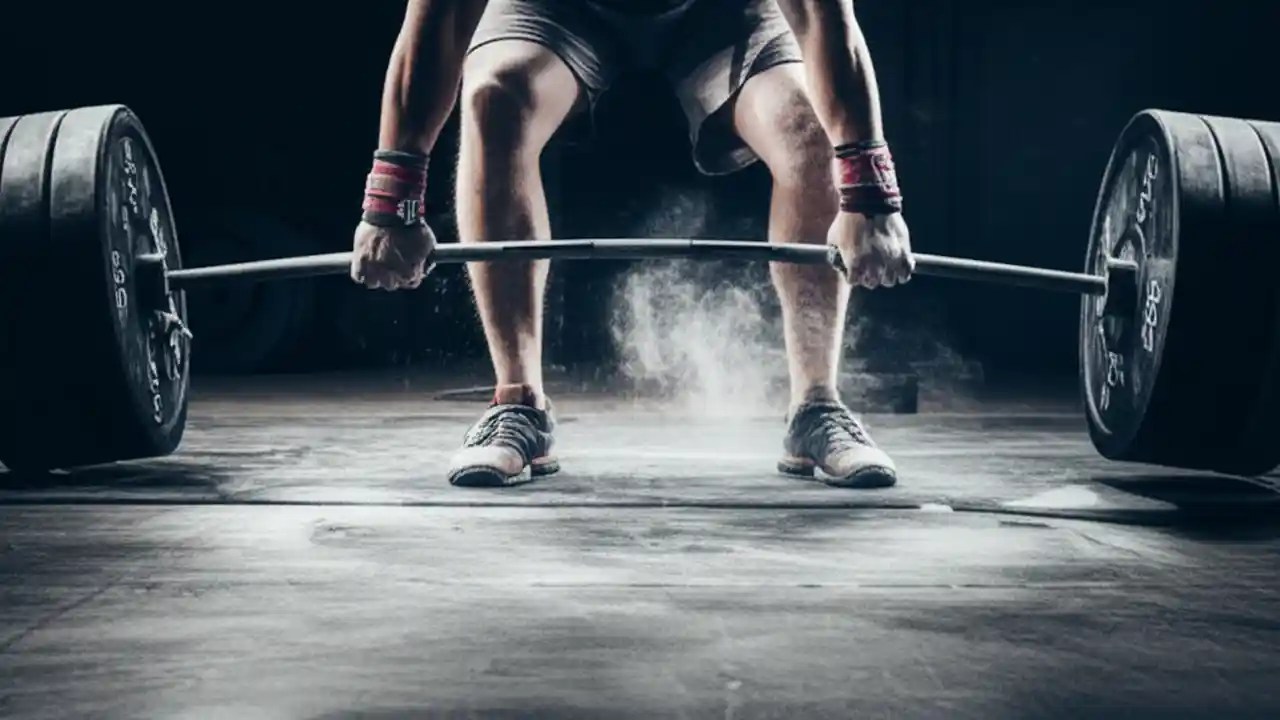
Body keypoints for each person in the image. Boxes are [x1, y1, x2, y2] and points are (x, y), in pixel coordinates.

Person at [350, 0, 915, 488]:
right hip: (557, 9)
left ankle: (817, 407)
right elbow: (440, 20)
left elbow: (823, 18)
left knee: (805, 118)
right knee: (496, 97)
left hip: (720, 13)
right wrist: (391, 203)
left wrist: (868, 196)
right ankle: (518, 405)